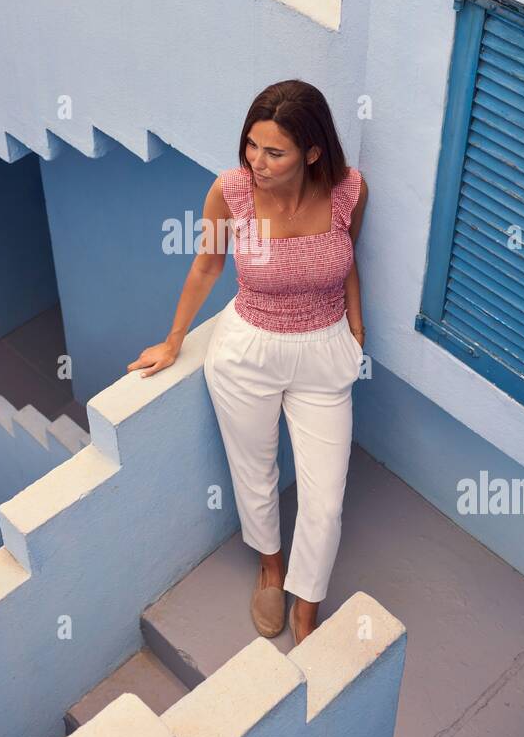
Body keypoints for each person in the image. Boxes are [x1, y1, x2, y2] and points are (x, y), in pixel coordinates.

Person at [127, 80, 368, 644]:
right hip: (247, 352)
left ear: (311, 152)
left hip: (323, 354)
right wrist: (173, 339)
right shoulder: (230, 193)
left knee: (325, 500)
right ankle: (270, 566)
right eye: (251, 146)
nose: (256, 162)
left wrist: (356, 328)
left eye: (274, 152)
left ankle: (307, 607)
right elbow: (207, 267)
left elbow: (348, 260)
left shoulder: (348, 192)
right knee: (254, 471)